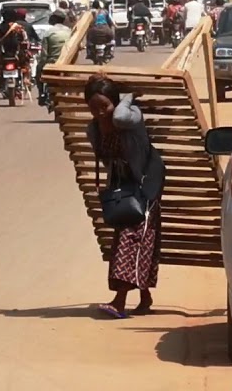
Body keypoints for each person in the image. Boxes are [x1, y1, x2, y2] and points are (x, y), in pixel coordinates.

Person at [84, 74, 165, 319]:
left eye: (104, 105)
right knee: (134, 240)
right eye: (94, 107)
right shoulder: (93, 129)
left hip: (146, 184)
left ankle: (119, 302)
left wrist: (131, 95)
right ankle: (144, 297)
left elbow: (119, 115)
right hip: (123, 189)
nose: (100, 112)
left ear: (116, 102)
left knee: (133, 239)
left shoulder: (131, 117)